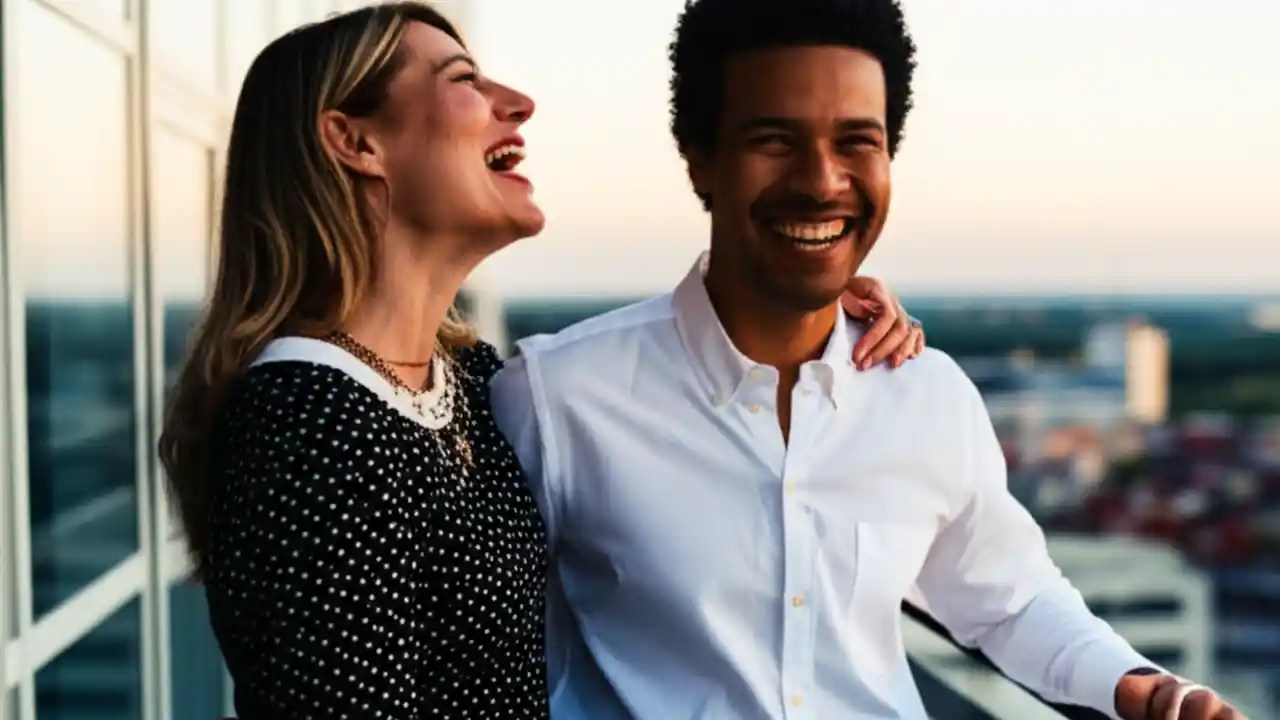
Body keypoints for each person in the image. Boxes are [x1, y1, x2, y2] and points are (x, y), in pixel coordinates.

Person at [156, 3, 923, 718]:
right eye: (462, 80)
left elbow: (641, 392)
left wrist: (820, 306)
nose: (516, 101)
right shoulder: (307, 424)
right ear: (355, 141)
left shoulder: (467, 383)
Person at [487, 0, 1245, 719]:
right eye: (774, 140)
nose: (822, 182)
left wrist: (1136, 688)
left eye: (858, 141)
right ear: (700, 162)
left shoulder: (928, 395)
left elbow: (1008, 601)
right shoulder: (556, 398)